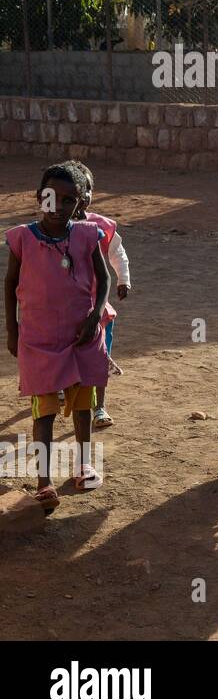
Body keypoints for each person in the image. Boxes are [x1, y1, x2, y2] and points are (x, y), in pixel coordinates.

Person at [4, 162, 110, 512]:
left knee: (82, 406)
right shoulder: (23, 238)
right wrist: (13, 329)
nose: (58, 206)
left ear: (79, 205)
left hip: (80, 334)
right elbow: (9, 283)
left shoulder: (86, 235)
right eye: (51, 197)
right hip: (39, 338)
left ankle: (83, 465)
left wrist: (95, 315)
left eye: (68, 200)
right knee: (43, 411)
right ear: (39, 197)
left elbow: (103, 278)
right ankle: (45, 481)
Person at [67, 161, 131, 428]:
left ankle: (99, 407)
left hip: (99, 305)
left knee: (99, 358)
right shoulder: (56, 227)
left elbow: (118, 253)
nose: (85, 196)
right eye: (78, 191)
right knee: (67, 354)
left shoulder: (101, 225)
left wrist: (123, 280)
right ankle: (63, 391)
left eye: (88, 189)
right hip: (67, 308)